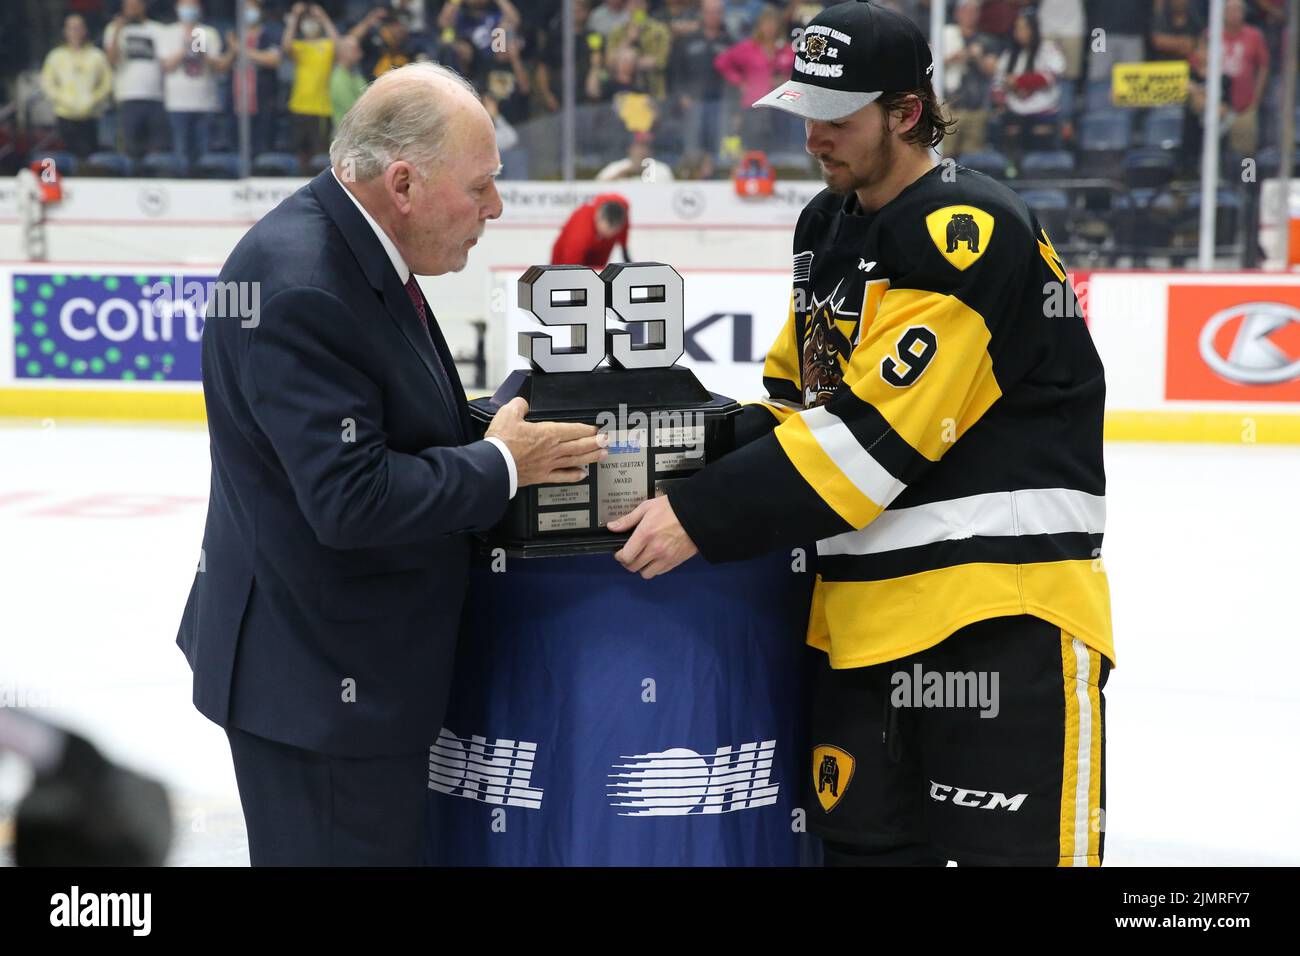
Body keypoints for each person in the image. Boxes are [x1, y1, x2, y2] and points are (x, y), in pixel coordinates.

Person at [608, 1, 1114, 867]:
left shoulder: (968, 231)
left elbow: (875, 437)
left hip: (996, 620)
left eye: (835, 117)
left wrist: (702, 511)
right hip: (860, 627)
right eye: (802, 113)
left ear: (906, 113)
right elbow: (791, 401)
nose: (813, 138)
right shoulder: (826, 225)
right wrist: (647, 445)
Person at [175, 62, 606, 866]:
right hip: (320, 692)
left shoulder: (349, 247)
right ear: (403, 183)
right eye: (480, 187)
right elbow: (351, 498)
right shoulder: (304, 282)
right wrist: (501, 466)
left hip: (342, 670)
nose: (495, 208)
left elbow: (383, 426)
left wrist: (494, 431)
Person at [159, 0, 228, 173]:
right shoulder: (167, 32)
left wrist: (202, 53)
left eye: (192, 6)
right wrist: (185, 47)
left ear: (199, 9)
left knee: (204, 154)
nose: (189, 10)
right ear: (177, 9)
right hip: (177, 103)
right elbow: (166, 66)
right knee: (181, 152)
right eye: (185, 6)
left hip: (205, 102)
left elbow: (218, 67)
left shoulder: (209, 33)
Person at [993, 8, 1066, 157]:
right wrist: (1000, 100)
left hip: (1043, 114)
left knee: (1040, 160)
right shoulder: (1010, 55)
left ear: (1034, 29)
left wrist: (1019, 81)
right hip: (1015, 114)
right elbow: (997, 84)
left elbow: (1052, 76)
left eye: (1024, 28)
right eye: (1017, 29)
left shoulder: (1047, 49)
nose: (1020, 33)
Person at [103, 0, 169, 161]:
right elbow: (111, 60)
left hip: (155, 96)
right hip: (127, 96)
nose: (131, 9)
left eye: (135, 5)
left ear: (143, 6)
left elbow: (166, 62)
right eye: (128, 6)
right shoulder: (113, 29)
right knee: (129, 148)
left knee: (157, 149)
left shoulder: (158, 29)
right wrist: (118, 31)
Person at [41, 14, 113, 160]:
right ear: (65, 31)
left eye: (78, 27)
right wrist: (62, 98)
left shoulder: (97, 56)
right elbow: (47, 82)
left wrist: (94, 99)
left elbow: (107, 82)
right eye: (71, 28)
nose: (75, 31)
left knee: (90, 157)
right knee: (67, 156)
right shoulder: (56, 56)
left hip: (91, 115)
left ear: (85, 30)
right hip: (65, 115)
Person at [283, 2, 339, 172]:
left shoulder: (326, 45)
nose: (310, 24)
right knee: (300, 151)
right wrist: (294, 18)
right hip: (299, 105)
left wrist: (323, 18)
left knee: (320, 154)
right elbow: (285, 46)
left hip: (321, 108)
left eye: (313, 21)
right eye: (307, 21)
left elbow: (339, 46)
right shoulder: (299, 46)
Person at [940, 0, 1000, 157]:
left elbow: (991, 71)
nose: (970, 15)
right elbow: (930, 65)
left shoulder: (986, 41)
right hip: (949, 108)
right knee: (944, 157)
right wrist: (954, 57)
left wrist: (978, 57)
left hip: (976, 109)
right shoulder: (945, 36)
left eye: (974, 11)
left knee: (972, 161)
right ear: (958, 13)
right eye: (966, 11)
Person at [226, 0, 284, 158]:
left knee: (262, 151)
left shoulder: (270, 34)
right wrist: (233, 48)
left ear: (260, 11)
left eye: (252, 8)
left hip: (262, 102)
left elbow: (273, 60)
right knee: (235, 150)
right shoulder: (235, 35)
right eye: (245, 9)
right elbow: (223, 65)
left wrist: (238, 47)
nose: (249, 12)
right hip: (237, 103)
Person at [551, 193, 630, 267]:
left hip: (600, 248)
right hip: (566, 255)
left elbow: (624, 230)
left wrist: (624, 247)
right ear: (598, 218)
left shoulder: (622, 211)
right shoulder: (581, 233)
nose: (608, 236)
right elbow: (570, 266)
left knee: (600, 272)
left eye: (613, 233)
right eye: (605, 232)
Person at [330, 35, 368, 130]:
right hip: (347, 136)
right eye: (355, 49)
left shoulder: (355, 73)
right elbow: (353, 109)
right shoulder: (338, 79)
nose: (360, 52)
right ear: (343, 53)